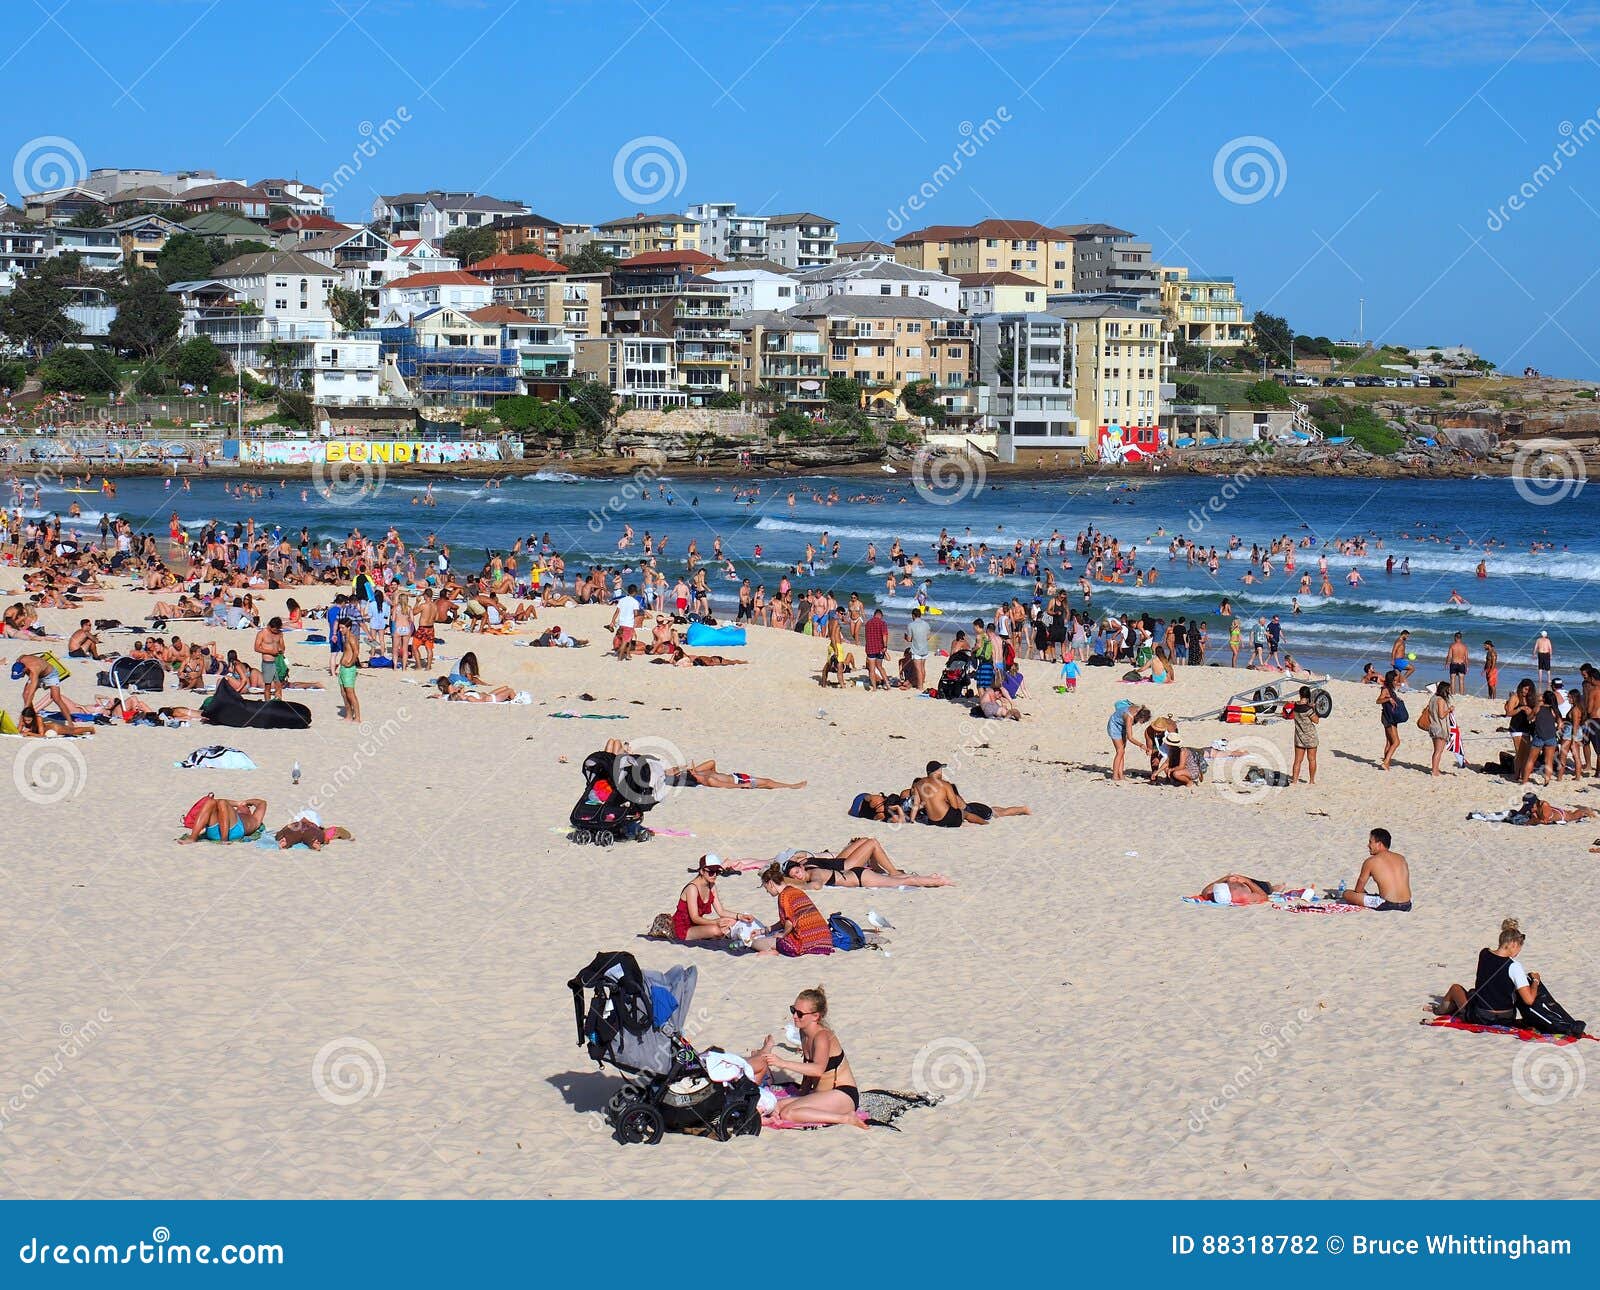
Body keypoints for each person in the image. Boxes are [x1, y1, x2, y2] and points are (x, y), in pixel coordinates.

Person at [1433, 918, 1585, 1037]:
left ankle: (1439, 1010)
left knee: (1456, 988)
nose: (1518, 952)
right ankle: (1445, 1009)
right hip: (1506, 1017)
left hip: (1482, 1015)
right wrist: (1535, 981)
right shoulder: (1514, 966)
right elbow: (1529, 1000)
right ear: (1512, 944)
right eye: (1519, 948)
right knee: (1477, 993)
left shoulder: (1484, 953)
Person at [747, 987, 865, 1127]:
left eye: (800, 1013)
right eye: (793, 1010)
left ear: (815, 1016)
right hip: (821, 1094)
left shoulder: (822, 1036)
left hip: (842, 1094)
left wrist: (783, 1063)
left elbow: (817, 1070)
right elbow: (808, 1065)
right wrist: (803, 1093)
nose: (794, 1016)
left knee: (788, 1113)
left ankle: (845, 1118)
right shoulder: (804, 1032)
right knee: (776, 1107)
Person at [907, 761, 1029, 826]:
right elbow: (955, 807)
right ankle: (1020, 810)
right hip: (952, 816)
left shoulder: (918, 785)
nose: (941, 772)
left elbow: (916, 805)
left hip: (934, 821)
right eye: (941, 769)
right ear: (936, 771)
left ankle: (1021, 810)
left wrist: (912, 820)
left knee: (993, 809)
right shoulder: (945, 784)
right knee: (994, 813)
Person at [750, 864, 835, 957]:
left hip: (806, 942)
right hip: (824, 939)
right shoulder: (795, 891)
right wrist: (763, 931)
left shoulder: (784, 896)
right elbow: (786, 921)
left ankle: (773, 951)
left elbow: (789, 922)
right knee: (774, 935)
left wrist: (783, 934)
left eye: (766, 888)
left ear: (770, 883)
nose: (767, 891)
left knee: (755, 943)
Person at [672, 856, 747, 943]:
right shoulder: (692, 888)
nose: (714, 875)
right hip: (683, 928)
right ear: (701, 871)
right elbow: (694, 918)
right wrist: (715, 922)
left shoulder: (711, 885)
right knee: (716, 930)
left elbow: (721, 911)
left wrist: (740, 916)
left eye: (717, 872)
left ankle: (738, 934)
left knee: (733, 921)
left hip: (697, 924)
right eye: (711, 872)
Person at [1339, 828, 1412, 911]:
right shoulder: (1401, 858)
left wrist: (1364, 894)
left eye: (1370, 842)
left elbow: (1358, 890)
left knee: (1347, 894)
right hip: (1407, 904)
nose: (1368, 845)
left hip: (1387, 904)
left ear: (1379, 844)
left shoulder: (1371, 861)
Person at [662, 758, 805, 790]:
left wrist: (685, 768)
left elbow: (712, 762)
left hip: (736, 775)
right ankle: (791, 786)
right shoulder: (708, 780)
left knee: (767, 782)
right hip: (738, 781)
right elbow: (726, 785)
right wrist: (743, 786)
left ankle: (790, 785)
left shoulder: (702, 772)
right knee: (767, 782)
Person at [179, 796, 268, 845]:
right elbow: (216, 801)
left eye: (246, 807)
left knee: (222, 802)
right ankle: (193, 838)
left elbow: (262, 803)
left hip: (235, 830)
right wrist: (237, 803)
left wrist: (246, 802)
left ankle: (224, 839)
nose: (242, 806)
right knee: (210, 802)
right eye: (239, 806)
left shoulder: (254, 819)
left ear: (249, 811)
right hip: (215, 830)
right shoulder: (230, 813)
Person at [1107, 701, 1152, 782]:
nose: (1142, 723)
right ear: (1139, 716)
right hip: (1114, 725)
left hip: (1122, 725)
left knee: (1122, 751)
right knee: (1120, 751)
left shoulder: (1139, 709)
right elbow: (1130, 737)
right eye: (1142, 721)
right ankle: (1114, 776)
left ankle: (1121, 775)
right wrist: (1141, 745)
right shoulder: (1129, 718)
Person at [1377, 669, 1406, 771]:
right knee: (1396, 742)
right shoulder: (1385, 689)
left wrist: (1397, 699)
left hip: (1390, 717)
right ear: (1391, 680)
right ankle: (1385, 762)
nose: (1396, 682)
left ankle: (1387, 764)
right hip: (1388, 717)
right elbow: (1378, 701)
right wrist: (1388, 699)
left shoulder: (1390, 689)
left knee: (1389, 742)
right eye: (1395, 680)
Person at [1423, 681, 1453, 777]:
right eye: (1448, 689)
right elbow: (1441, 715)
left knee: (1436, 750)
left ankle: (1435, 769)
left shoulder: (1433, 698)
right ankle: (1434, 771)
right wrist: (1449, 710)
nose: (1449, 691)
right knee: (1438, 751)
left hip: (1433, 726)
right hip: (1439, 727)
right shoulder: (1440, 700)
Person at [335, 611, 361, 724]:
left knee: (350, 693)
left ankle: (358, 718)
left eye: (342, 628)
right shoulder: (345, 638)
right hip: (343, 668)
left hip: (349, 669)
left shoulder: (351, 638)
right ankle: (349, 715)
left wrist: (350, 663)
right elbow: (346, 652)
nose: (340, 630)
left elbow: (356, 652)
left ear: (348, 627)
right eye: (340, 628)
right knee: (343, 693)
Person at [1291, 685, 1319, 785]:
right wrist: (1314, 708)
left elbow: (1298, 704)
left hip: (1299, 736)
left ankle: (1294, 781)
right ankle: (1311, 780)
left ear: (1300, 694)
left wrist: (1309, 705)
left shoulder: (1295, 706)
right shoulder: (1308, 709)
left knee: (1297, 760)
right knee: (1312, 759)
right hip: (1310, 737)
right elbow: (1316, 720)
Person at [1190, 874, 1278, 905]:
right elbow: (1264, 897)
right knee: (1268, 888)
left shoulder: (1210, 894)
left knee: (1232, 878)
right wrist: (1246, 881)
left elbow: (1205, 891)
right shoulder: (1243, 896)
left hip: (1239, 884)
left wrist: (1226, 878)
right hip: (1249, 886)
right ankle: (1275, 888)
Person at [905, 608, 931, 690]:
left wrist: (905, 637)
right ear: (920, 615)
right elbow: (928, 637)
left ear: (913, 615)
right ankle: (921, 683)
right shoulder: (926, 624)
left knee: (918, 669)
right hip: (925, 649)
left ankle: (920, 687)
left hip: (916, 650)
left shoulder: (911, 625)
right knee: (922, 667)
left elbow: (909, 639)